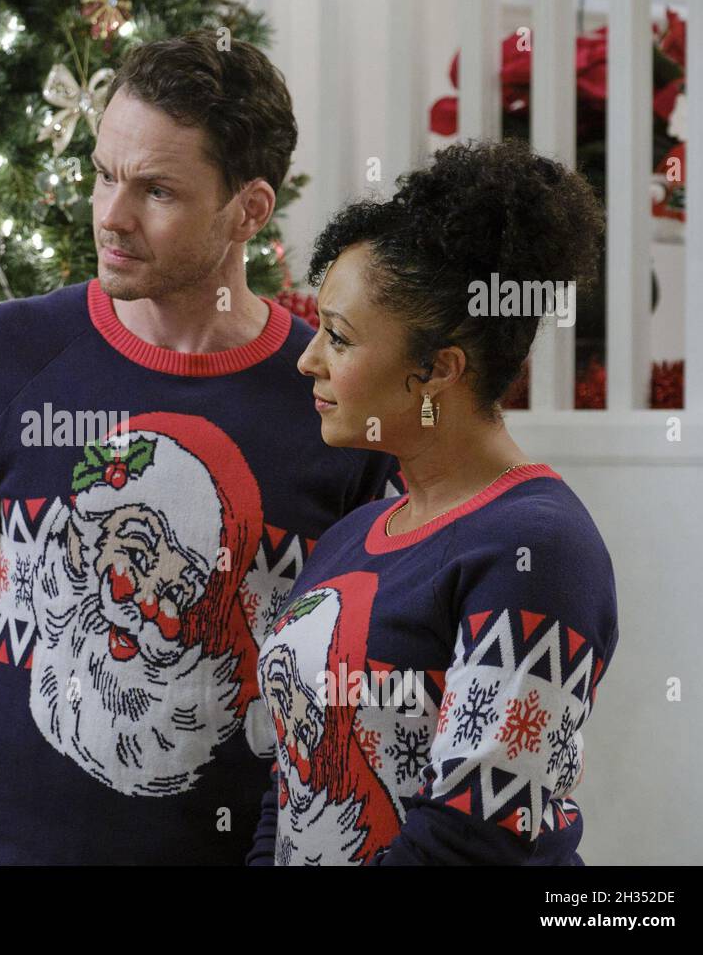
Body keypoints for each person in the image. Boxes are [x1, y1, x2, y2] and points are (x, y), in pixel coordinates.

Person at [0, 31, 401, 865]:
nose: (111, 216)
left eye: (156, 190)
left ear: (249, 211)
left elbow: (357, 699)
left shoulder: (332, 405)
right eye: (103, 174)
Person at [247, 139, 618, 865]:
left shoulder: (540, 549)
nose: (307, 359)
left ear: (438, 371)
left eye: (339, 338)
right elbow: (287, 782)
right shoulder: (353, 535)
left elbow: (473, 837)